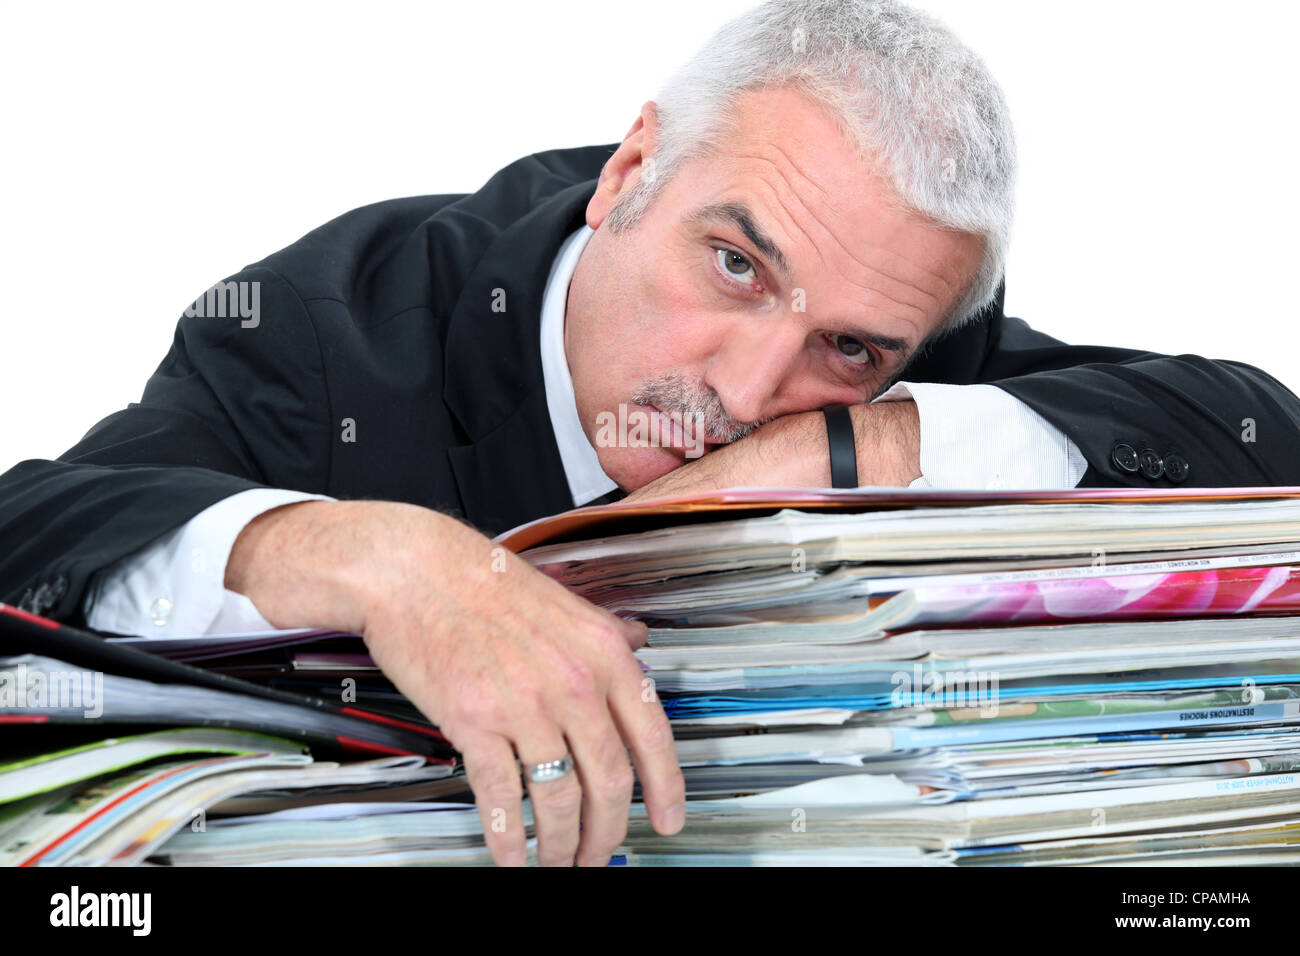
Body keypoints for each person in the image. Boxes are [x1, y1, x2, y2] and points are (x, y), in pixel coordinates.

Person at [3, 0, 1299, 867]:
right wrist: (356, 556)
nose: (743, 392)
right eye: (736, 266)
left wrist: (850, 449)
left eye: (846, 349)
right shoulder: (338, 322)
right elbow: (37, 536)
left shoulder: (895, 346)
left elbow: (1253, 433)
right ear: (630, 174)